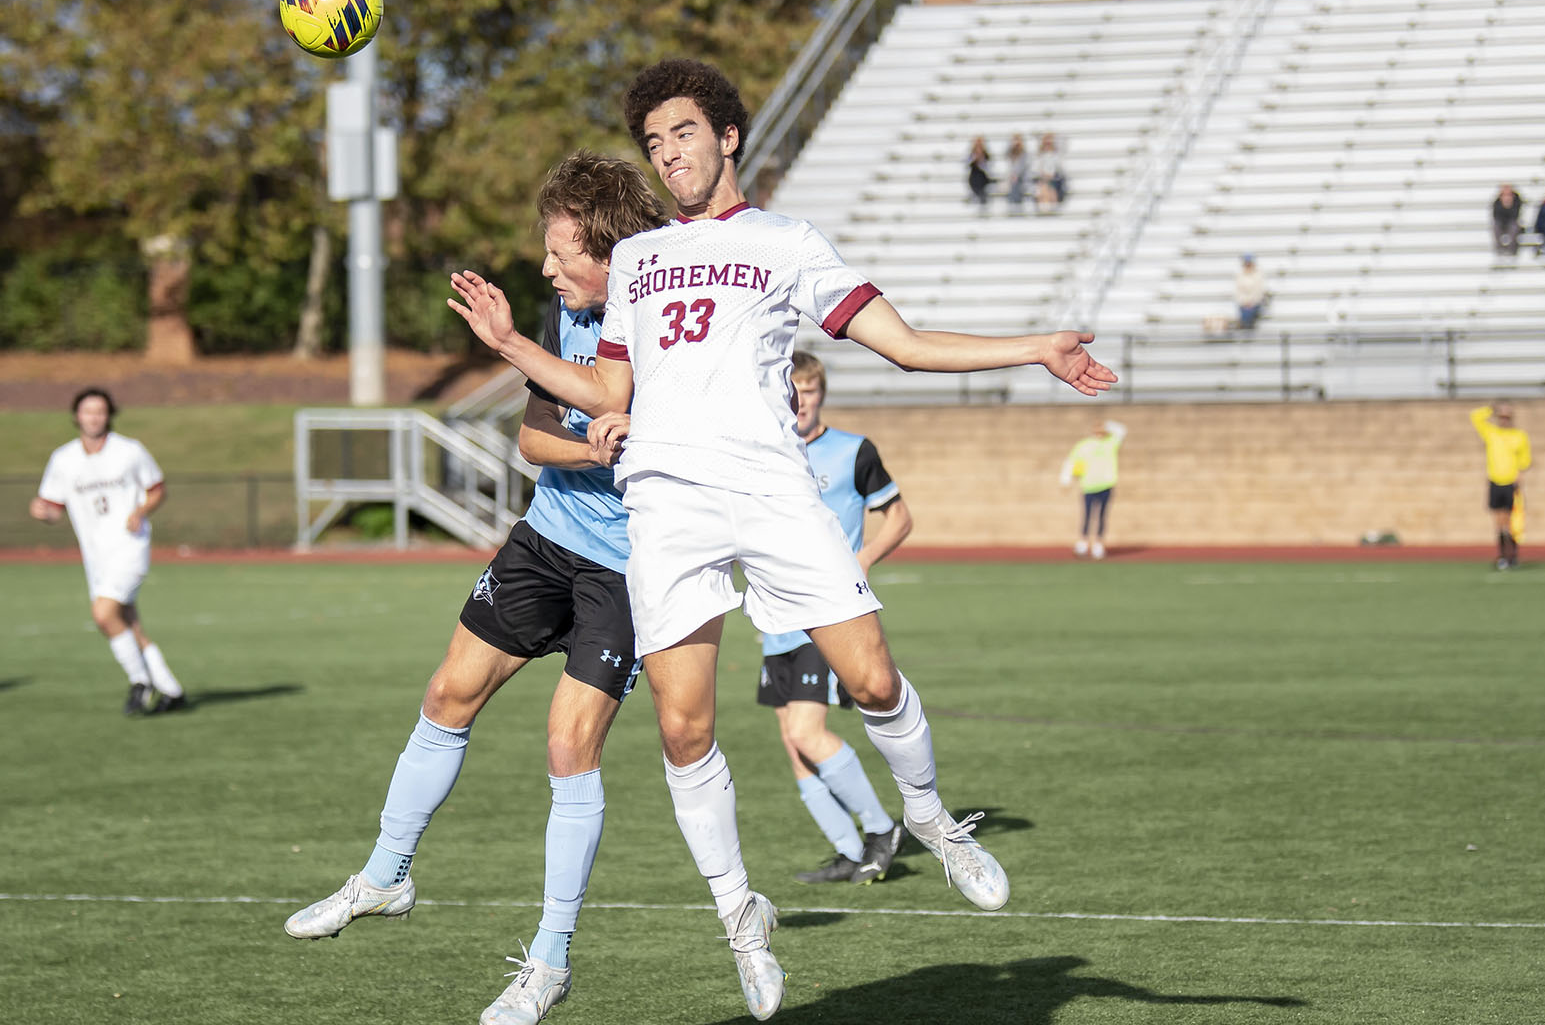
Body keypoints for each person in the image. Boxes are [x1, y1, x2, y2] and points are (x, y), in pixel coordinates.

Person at [446, 57, 1116, 1021]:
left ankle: (931, 820)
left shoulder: (787, 241)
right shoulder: (636, 261)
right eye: (653, 142)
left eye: (684, 133)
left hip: (770, 492)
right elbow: (609, 395)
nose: (668, 154)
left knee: (874, 679)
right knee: (683, 729)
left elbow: (906, 343)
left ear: (727, 135)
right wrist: (513, 344)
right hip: (669, 503)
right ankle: (739, 919)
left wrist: (1036, 347)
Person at [285, 151, 668, 1025]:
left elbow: (641, 414)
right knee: (447, 691)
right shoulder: (565, 317)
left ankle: (549, 961)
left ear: (606, 249)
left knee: (569, 746)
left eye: (560, 252)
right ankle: (385, 875)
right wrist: (599, 445)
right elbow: (537, 440)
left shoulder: (664, 323)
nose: (546, 267)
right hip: (547, 536)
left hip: (632, 565)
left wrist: (630, 433)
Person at [760, 352, 911, 887]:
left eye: (809, 388)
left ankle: (880, 828)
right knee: (792, 741)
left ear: (821, 393)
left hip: (825, 613)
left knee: (808, 730)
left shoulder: (852, 451)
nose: (801, 400)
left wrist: (861, 560)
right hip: (774, 614)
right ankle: (850, 850)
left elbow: (899, 517)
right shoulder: (764, 452)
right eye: (791, 389)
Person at [29, 388, 186, 715]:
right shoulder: (63, 459)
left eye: (100, 411)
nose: (94, 417)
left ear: (109, 415)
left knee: (103, 614)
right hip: (96, 556)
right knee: (129, 624)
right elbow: (55, 508)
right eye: (88, 411)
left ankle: (139, 681)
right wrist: (44, 514)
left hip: (130, 546)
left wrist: (140, 512)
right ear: (76, 416)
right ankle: (172, 691)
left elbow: (157, 490)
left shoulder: (130, 451)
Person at [1470, 403, 1529, 571]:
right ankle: (1503, 556)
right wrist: (1492, 408)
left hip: (1511, 482)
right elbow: (1475, 417)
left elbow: (1524, 460)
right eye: (1501, 417)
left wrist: (1520, 475)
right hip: (1495, 481)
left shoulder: (1519, 436)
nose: (1504, 420)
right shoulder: (1492, 433)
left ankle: (1513, 556)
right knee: (1498, 523)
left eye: (1507, 417)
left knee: (1511, 522)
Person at [1059, 420, 1126, 559]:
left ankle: (1098, 545)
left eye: (1101, 429)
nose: (1099, 431)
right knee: (1087, 516)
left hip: (1106, 485)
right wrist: (1066, 480)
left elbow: (1121, 430)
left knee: (1102, 516)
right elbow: (1072, 462)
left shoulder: (1110, 442)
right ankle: (1083, 544)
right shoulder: (1084, 445)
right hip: (1089, 485)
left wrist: (1107, 425)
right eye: (1097, 428)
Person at [1235, 254, 1269, 330]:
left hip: (1255, 304)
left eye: (1249, 263)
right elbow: (1238, 292)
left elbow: (1259, 291)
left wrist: (1251, 302)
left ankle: (1247, 328)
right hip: (1243, 304)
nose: (1248, 265)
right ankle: (1246, 328)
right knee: (1245, 312)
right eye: (1246, 264)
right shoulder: (1240, 275)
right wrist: (1244, 302)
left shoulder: (1258, 275)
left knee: (1249, 313)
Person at [1034, 133, 1066, 212]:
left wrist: (1052, 175)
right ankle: (1044, 205)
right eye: (1046, 140)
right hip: (1042, 179)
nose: (1048, 143)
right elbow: (1036, 169)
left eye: (1050, 140)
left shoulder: (1056, 155)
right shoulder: (1040, 155)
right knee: (1043, 185)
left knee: (1050, 186)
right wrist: (1043, 174)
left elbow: (1060, 170)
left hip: (1054, 179)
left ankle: (1051, 205)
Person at [1490, 184, 1522, 258]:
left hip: (1512, 223)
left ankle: (1512, 250)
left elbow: (1515, 216)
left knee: (1514, 227)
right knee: (1495, 227)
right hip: (1501, 223)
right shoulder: (1497, 202)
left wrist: (1509, 205)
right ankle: (1499, 250)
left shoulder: (1517, 201)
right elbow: (1496, 216)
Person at [1004, 133, 1031, 214]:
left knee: (1016, 183)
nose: (1016, 143)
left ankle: (1015, 206)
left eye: (1018, 141)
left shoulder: (1024, 155)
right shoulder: (1009, 154)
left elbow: (1023, 169)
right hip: (1011, 180)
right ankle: (1014, 206)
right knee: (1013, 183)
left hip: (1022, 179)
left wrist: (1016, 175)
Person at [966, 136, 992, 210]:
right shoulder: (971, 154)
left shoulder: (986, 155)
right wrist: (974, 159)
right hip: (974, 178)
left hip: (983, 178)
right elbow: (967, 165)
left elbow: (987, 168)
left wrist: (981, 160)